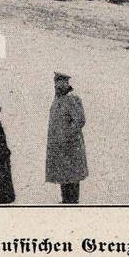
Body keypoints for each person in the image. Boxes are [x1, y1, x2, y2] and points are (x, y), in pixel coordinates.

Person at [45, 72, 88, 204]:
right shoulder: (57, 99)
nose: (57, 86)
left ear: (66, 84)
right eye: (56, 83)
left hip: (70, 148)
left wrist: (67, 136)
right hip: (60, 149)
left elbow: (80, 120)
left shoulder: (71, 99)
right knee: (64, 177)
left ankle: (72, 203)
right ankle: (66, 201)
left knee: (72, 178)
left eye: (60, 83)